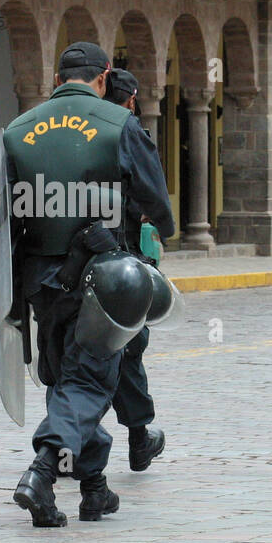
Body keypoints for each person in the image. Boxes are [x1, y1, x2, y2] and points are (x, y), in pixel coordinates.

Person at [4, 43, 174, 526]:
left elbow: (4, 218)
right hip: (101, 280)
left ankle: (94, 487)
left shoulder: (17, 130)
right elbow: (157, 204)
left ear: (57, 78)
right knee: (89, 378)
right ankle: (41, 472)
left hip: (40, 280)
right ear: (103, 78)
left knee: (66, 380)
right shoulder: (118, 123)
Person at [101, 68, 172, 471]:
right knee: (128, 347)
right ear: (130, 99)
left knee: (77, 357)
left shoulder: (73, 128)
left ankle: (71, 444)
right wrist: (165, 227)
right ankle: (138, 436)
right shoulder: (126, 128)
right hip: (119, 253)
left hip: (67, 259)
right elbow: (151, 187)